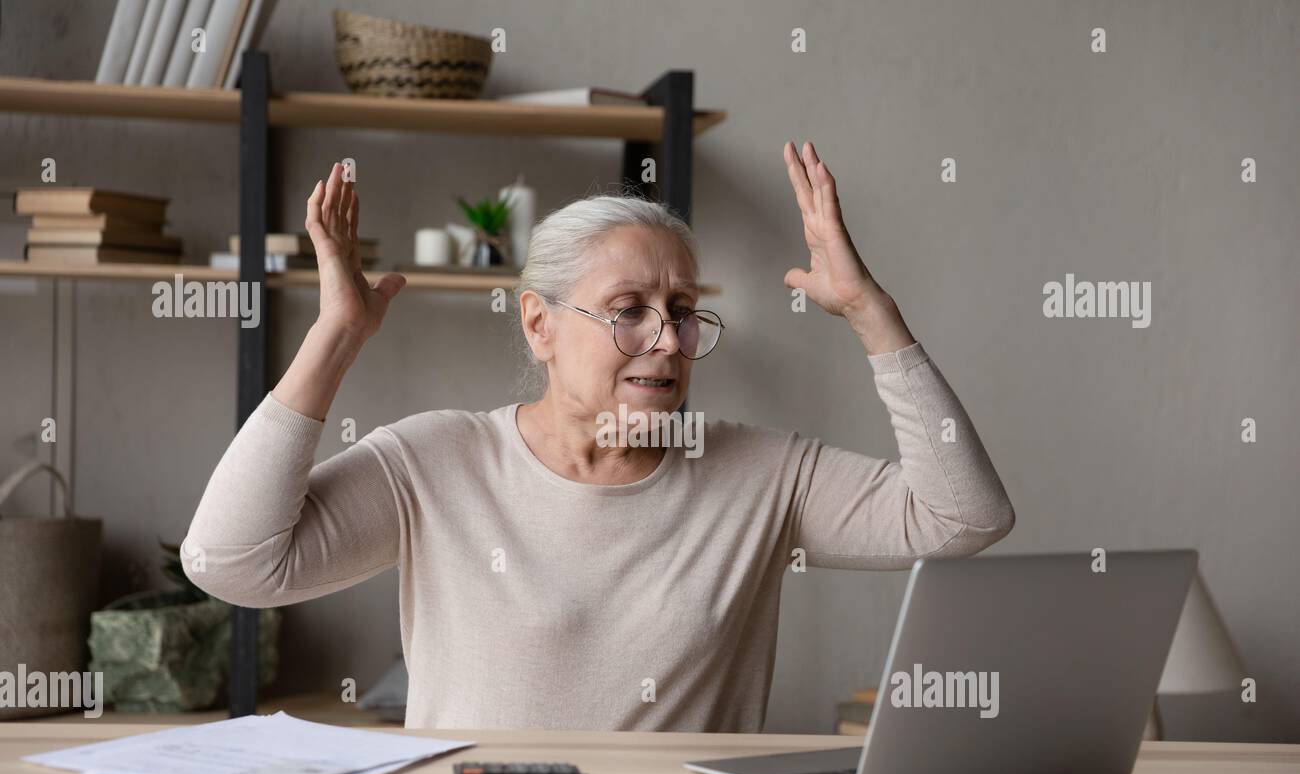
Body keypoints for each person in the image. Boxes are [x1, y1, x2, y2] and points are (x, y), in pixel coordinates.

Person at [182, 140, 1015, 731]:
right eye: (629, 312)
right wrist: (337, 336)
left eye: (682, 312)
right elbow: (232, 562)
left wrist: (874, 315)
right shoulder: (437, 462)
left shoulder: (759, 473)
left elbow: (964, 516)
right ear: (539, 325)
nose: (665, 339)